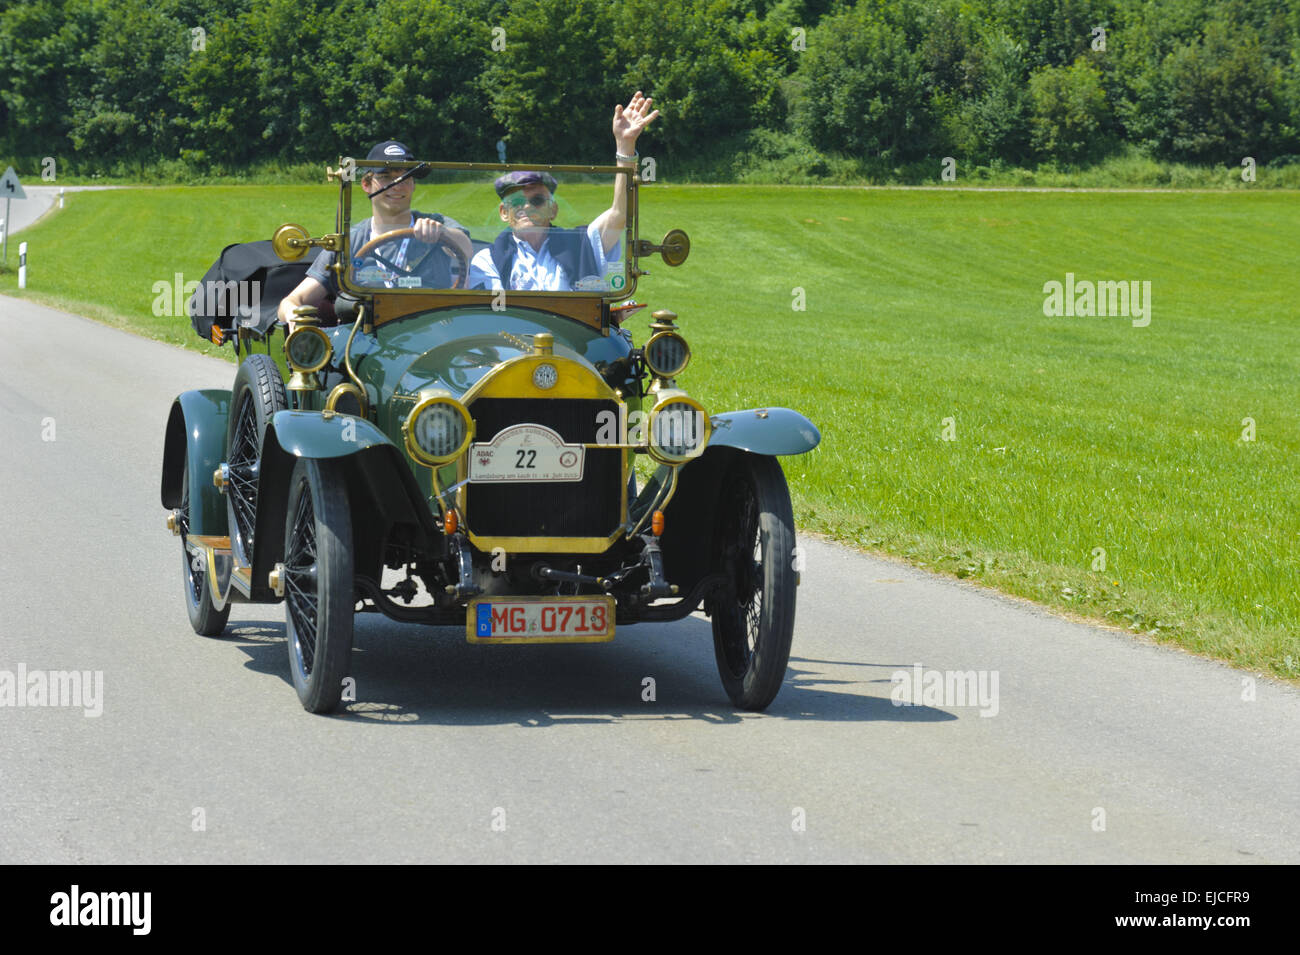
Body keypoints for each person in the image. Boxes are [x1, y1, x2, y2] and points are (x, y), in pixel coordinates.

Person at [469, 92, 659, 292]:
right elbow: (492, 313)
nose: (526, 206)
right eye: (516, 201)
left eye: (537, 200)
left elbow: (620, 214)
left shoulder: (580, 244)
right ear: (503, 212)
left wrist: (625, 145)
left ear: (553, 210)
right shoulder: (488, 260)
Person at [278, 140, 473, 330]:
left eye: (406, 177)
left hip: (431, 332)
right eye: (386, 177)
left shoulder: (436, 225)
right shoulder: (350, 241)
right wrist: (294, 316)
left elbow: (466, 249)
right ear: (366, 184)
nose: (397, 185)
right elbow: (294, 300)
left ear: (413, 184)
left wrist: (442, 233)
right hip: (366, 341)